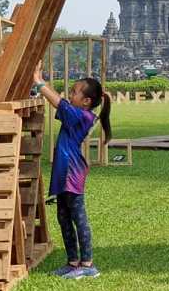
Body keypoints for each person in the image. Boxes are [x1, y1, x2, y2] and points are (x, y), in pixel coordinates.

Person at [33, 62, 112, 279]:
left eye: (75, 92)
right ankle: (73, 262)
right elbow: (62, 104)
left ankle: (88, 264)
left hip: (72, 172)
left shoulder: (82, 116)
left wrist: (39, 81)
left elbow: (58, 103)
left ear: (86, 101)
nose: (70, 94)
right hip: (63, 171)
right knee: (64, 217)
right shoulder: (75, 114)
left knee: (78, 217)